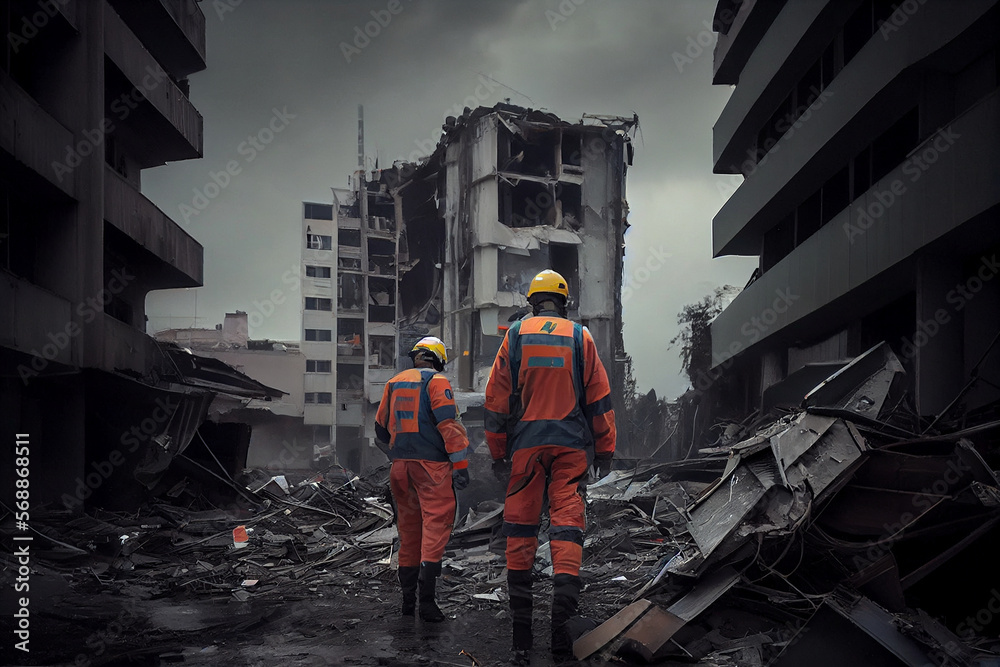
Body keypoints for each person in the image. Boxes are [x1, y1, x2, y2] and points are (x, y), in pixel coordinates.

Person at [484, 270, 616, 663]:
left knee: (521, 529)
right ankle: (562, 630)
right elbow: (599, 401)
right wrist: (605, 451)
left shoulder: (516, 335)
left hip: (526, 448)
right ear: (564, 301)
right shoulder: (581, 337)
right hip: (571, 447)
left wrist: (497, 453)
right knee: (567, 527)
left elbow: (496, 400)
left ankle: (521, 641)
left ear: (532, 301)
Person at [375, 336, 470, 622]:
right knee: (435, 529)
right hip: (432, 469)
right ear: (437, 359)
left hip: (400, 469)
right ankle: (427, 605)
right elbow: (448, 425)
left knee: (409, 533)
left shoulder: (394, 382)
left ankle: (407, 604)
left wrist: (399, 455)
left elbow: (380, 431)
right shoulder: (436, 382)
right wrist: (461, 466)